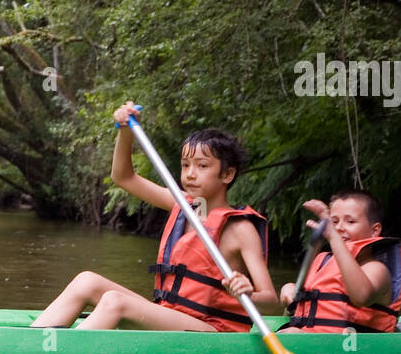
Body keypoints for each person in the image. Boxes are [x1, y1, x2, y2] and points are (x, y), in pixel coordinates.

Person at [31, 103, 279, 331]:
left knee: (114, 301)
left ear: (227, 175)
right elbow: (124, 177)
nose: (190, 174)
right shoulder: (181, 205)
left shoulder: (240, 229)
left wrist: (248, 293)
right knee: (87, 281)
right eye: (185, 165)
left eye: (202, 166)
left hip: (213, 330)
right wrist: (125, 131)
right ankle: (32, 347)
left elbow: (271, 301)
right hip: (171, 314)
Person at [278, 191, 401, 333]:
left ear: (375, 230)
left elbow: (361, 297)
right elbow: (308, 294)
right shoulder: (323, 261)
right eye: (334, 222)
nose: (339, 228)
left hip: (352, 345)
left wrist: (332, 236)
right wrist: (288, 289)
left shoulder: (377, 269)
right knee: (291, 331)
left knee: (291, 333)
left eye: (350, 221)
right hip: (313, 339)